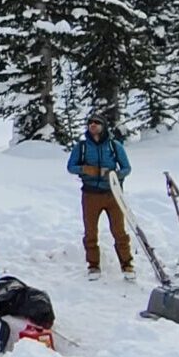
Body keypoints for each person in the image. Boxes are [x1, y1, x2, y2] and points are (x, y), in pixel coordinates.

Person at [66, 112, 134, 279]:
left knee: (119, 232)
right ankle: (93, 266)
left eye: (97, 122)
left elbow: (126, 168)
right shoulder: (82, 147)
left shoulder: (114, 145)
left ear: (103, 126)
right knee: (90, 232)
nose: (93, 125)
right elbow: (70, 167)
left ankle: (127, 265)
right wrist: (85, 169)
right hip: (90, 194)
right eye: (90, 122)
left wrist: (114, 175)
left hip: (113, 194)